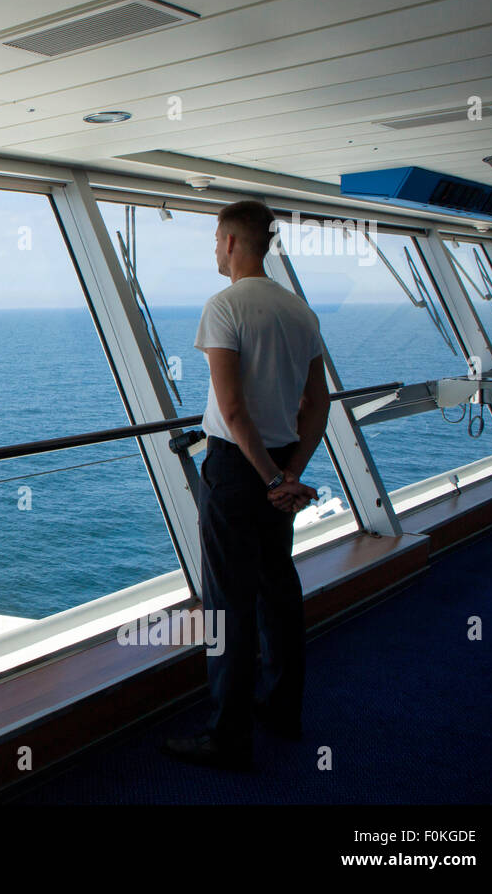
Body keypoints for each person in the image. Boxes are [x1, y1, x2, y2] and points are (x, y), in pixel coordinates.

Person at [162, 200, 329, 770]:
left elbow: (232, 411)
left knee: (227, 604)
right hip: (280, 464)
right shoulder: (300, 312)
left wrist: (268, 479)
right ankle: (282, 710)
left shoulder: (223, 307)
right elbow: (317, 403)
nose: (213, 248)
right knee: (277, 589)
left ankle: (228, 737)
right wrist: (290, 475)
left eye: (215, 239)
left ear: (233, 242)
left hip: (238, 471)